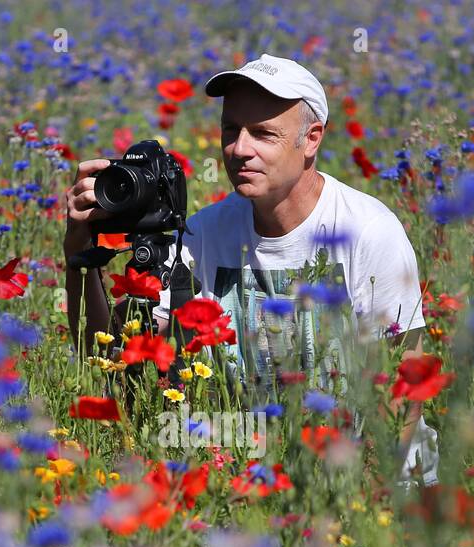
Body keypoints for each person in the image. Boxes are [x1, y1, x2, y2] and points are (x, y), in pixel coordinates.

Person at [62, 53, 437, 485]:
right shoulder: (203, 236)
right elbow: (109, 359)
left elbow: (403, 391)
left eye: (262, 134)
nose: (240, 149)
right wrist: (79, 255)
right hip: (254, 472)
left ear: (311, 139)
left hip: (367, 478)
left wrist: (360, 508)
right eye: (230, 130)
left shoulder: (367, 231)